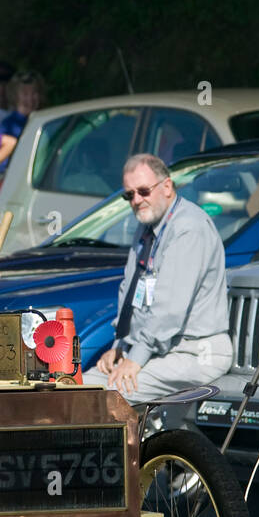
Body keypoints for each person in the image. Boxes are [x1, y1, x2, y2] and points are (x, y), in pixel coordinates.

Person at [85, 154, 231, 403]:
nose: (137, 200)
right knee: (79, 386)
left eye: (143, 191)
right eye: (129, 195)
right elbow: (129, 289)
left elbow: (169, 310)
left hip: (194, 353)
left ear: (167, 186)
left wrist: (135, 358)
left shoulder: (188, 228)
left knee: (100, 396)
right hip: (160, 350)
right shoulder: (148, 226)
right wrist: (120, 345)